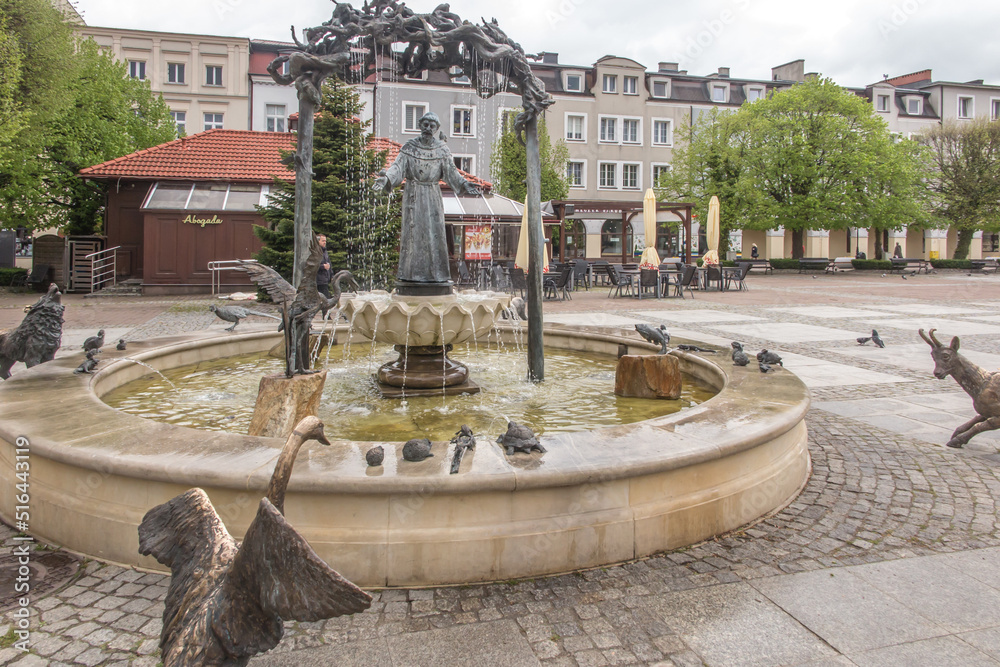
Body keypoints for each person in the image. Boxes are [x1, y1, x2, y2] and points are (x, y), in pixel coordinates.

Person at [374, 112, 480, 288]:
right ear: (420, 126)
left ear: (436, 129)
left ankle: (436, 274)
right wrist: (386, 179)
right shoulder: (409, 148)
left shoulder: (442, 150)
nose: (428, 128)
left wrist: (463, 184)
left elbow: (451, 172)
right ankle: (410, 274)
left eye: (432, 126)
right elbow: (397, 168)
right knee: (413, 234)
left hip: (433, 195)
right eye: (425, 124)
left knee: (434, 233)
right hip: (413, 195)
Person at [316, 234, 332, 298]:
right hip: (317, 281)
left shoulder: (325, 251)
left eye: (325, 241)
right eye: (323, 241)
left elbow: (329, 264)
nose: (325, 242)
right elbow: (311, 265)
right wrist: (323, 266)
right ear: (318, 241)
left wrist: (332, 276)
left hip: (325, 280)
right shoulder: (315, 252)